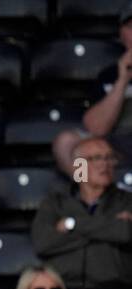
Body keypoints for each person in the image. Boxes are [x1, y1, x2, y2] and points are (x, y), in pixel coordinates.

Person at [30, 136, 132, 289]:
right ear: (78, 167)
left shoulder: (127, 201)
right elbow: (43, 242)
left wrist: (73, 225)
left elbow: (126, 233)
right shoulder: (55, 203)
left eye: (109, 158)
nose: (105, 164)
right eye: (95, 158)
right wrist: (109, 226)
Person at [52, 5, 132, 177]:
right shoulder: (110, 76)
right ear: (122, 34)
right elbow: (96, 128)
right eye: (131, 27)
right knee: (66, 143)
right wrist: (122, 81)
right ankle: (88, 191)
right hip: (115, 147)